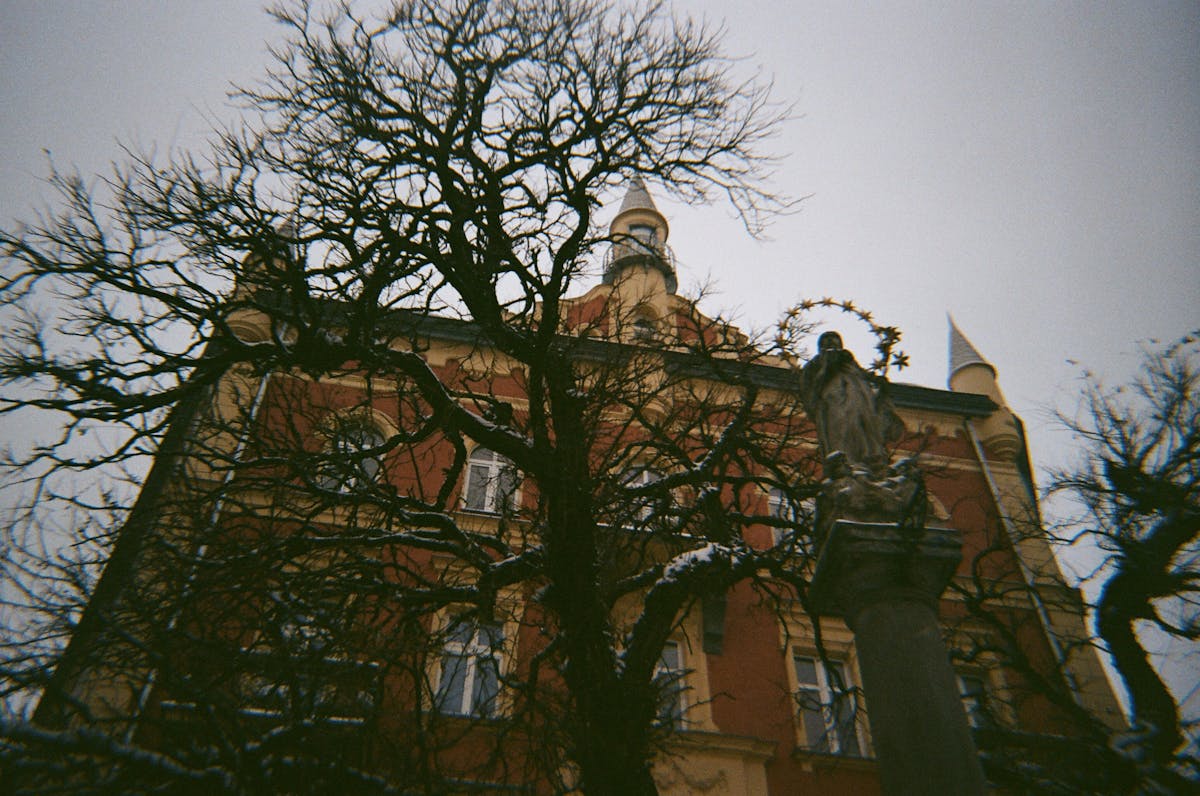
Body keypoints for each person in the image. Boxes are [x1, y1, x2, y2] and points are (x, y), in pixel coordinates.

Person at [800, 332, 903, 472]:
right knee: (839, 436)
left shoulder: (851, 365)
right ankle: (844, 464)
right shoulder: (814, 365)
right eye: (827, 344)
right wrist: (827, 367)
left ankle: (866, 462)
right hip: (833, 407)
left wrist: (879, 385)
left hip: (859, 409)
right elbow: (809, 390)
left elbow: (867, 381)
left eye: (835, 344)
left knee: (862, 434)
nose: (831, 348)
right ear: (820, 348)